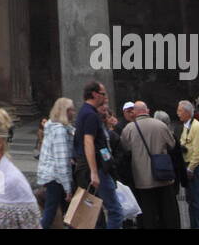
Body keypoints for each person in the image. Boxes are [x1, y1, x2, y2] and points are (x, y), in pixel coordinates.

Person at [72, 81, 125, 228]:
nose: (105, 97)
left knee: (95, 213)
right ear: (95, 94)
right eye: (103, 94)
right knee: (115, 211)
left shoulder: (84, 112)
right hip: (97, 167)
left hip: (88, 167)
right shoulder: (90, 115)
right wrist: (94, 172)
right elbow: (88, 141)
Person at [121, 100, 179, 229]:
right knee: (167, 210)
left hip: (142, 179)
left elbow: (125, 149)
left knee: (147, 212)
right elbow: (172, 144)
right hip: (163, 175)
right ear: (147, 110)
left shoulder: (129, 128)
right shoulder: (161, 125)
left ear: (135, 112)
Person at [36, 97, 75, 228]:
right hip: (55, 176)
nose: (74, 112)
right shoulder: (59, 131)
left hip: (51, 175)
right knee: (51, 211)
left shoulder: (55, 128)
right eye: (71, 110)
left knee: (56, 210)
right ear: (65, 111)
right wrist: (67, 186)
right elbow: (61, 160)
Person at [177, 99, 199, 229]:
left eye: (180, 110)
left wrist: (190, 169)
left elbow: (198, 153)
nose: (177, 113)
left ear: (187, 112)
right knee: (191, 200)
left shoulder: (196, 127)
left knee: (197, 200)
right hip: (188, 166)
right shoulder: (186, 125)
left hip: (193, 167)